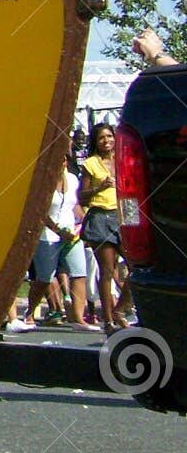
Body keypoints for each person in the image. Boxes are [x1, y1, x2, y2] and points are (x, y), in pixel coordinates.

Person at [31, 149, 94, 330]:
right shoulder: (43, 182)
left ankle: (78, 318)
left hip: (71, 234)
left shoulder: (73, 179)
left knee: (79, 273)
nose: (62, 163)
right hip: (48, 235)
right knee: (44, 277)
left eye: (64, 160)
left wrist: (83, 222)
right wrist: (58, 231)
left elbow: (74, 205)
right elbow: (40, 212)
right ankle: (29, 313)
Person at [80, 122, 124, 333]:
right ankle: (108, 319)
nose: (107, 141)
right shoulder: (90, 163)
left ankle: (120, 309)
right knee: (107, 270)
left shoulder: (123, 159)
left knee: (137, 266)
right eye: (101, 138)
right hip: (100, 216)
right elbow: (82, 196)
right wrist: (100, 187)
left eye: (109, 136)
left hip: (124, 214)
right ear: (96, 142)